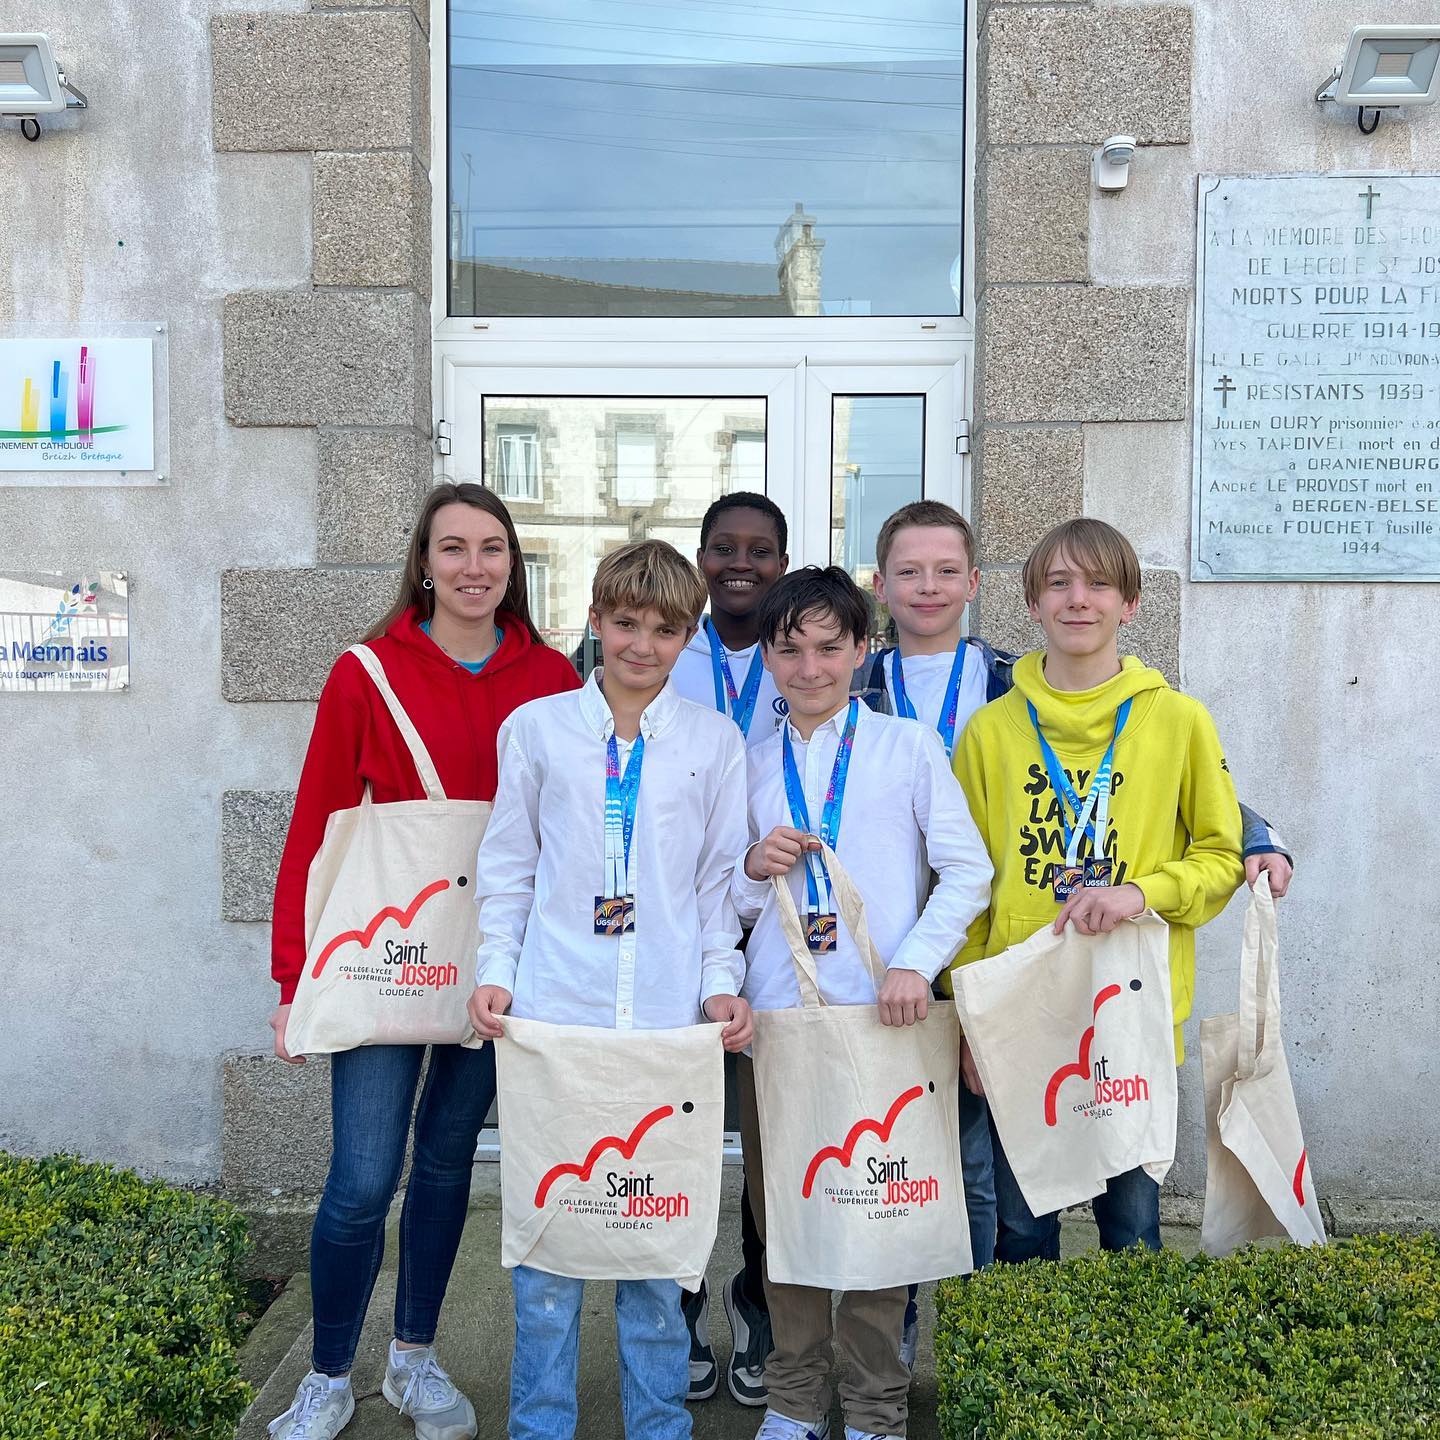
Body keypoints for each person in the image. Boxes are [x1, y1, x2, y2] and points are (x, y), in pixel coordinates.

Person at [265, 483, 580, 1440]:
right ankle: (327, 1372)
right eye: (454, 548)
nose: (475, 567)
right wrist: (293, 977)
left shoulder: (555, 678)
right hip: (386, 960)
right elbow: (317, 822)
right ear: (424, 561)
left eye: (493, 548)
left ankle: (413, 1358)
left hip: (500, 959)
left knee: (446, 1166)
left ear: (514, 562)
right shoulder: (366, 672)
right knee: (362, 1177)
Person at [465, 539, 754, 1440]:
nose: (642, 645)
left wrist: (719, 987)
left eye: (665, 630)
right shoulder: (538, 731)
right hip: (558, 1021)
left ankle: (659, 1423)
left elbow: (716, 885)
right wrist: (496, 976)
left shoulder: (713, 741)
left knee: (655, 1246)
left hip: (667, 1027)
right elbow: (510, 866)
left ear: (687, 637)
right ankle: (541, 1425)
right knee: (549, 1251)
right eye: (625, 623)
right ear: (595, 622)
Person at [732, 566, 992, 1440]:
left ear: (862, 650)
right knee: (788, 1223)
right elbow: (713, 900)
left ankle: (877, 1407)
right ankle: (795, 1400)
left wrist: (916, 965)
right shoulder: (747, 761)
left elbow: (969, 872)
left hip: (888, 1017)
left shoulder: (907, 748)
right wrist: (748, 870)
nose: (811, 667)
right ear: (766, 655)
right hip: (780, 1021)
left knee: (884, 1213)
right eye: (791, 648)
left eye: (830, 647)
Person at [952, 517, 1245, 1262]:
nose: (1078, 600)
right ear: (1032, 602)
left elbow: (1220, 857)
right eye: (1059, 583)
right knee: (1020, 1227)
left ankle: (1128, 1381)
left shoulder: (1178, 721)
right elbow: (967, 889)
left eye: (1098, 583)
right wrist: (968, 1016)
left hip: (1129, 1010)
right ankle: (1024, 1380)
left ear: (1131, 603)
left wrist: (1140, 893)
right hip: (1024, 1009)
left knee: (1134, 1227)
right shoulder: (989, 733)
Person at [668, 490, 789, 1405]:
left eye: (759, 550)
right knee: (677, 1128)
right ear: (701, 557)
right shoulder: (664, 652)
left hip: (785, 925)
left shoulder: (809, 657)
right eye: (723, 548)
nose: (739, 563)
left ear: (782, 564)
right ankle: (679, 1308)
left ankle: (758, 1303)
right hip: (682, 922)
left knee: (770, 1136)